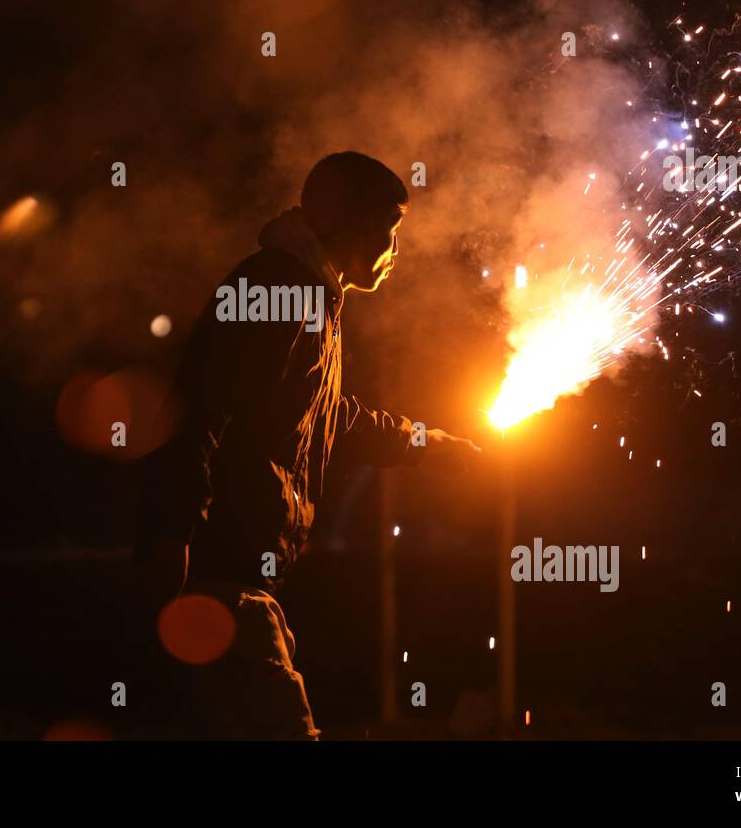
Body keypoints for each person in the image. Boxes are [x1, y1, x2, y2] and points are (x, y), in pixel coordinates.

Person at [135, 151, 481, 739]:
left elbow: (326, 416)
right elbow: (197, 406)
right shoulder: (277, 286)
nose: (395, 251)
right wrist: (175, 534)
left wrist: (425, 441)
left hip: (243, 578)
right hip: (221, 576)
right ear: (347, 225)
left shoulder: (309, 295)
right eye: (388, 231)